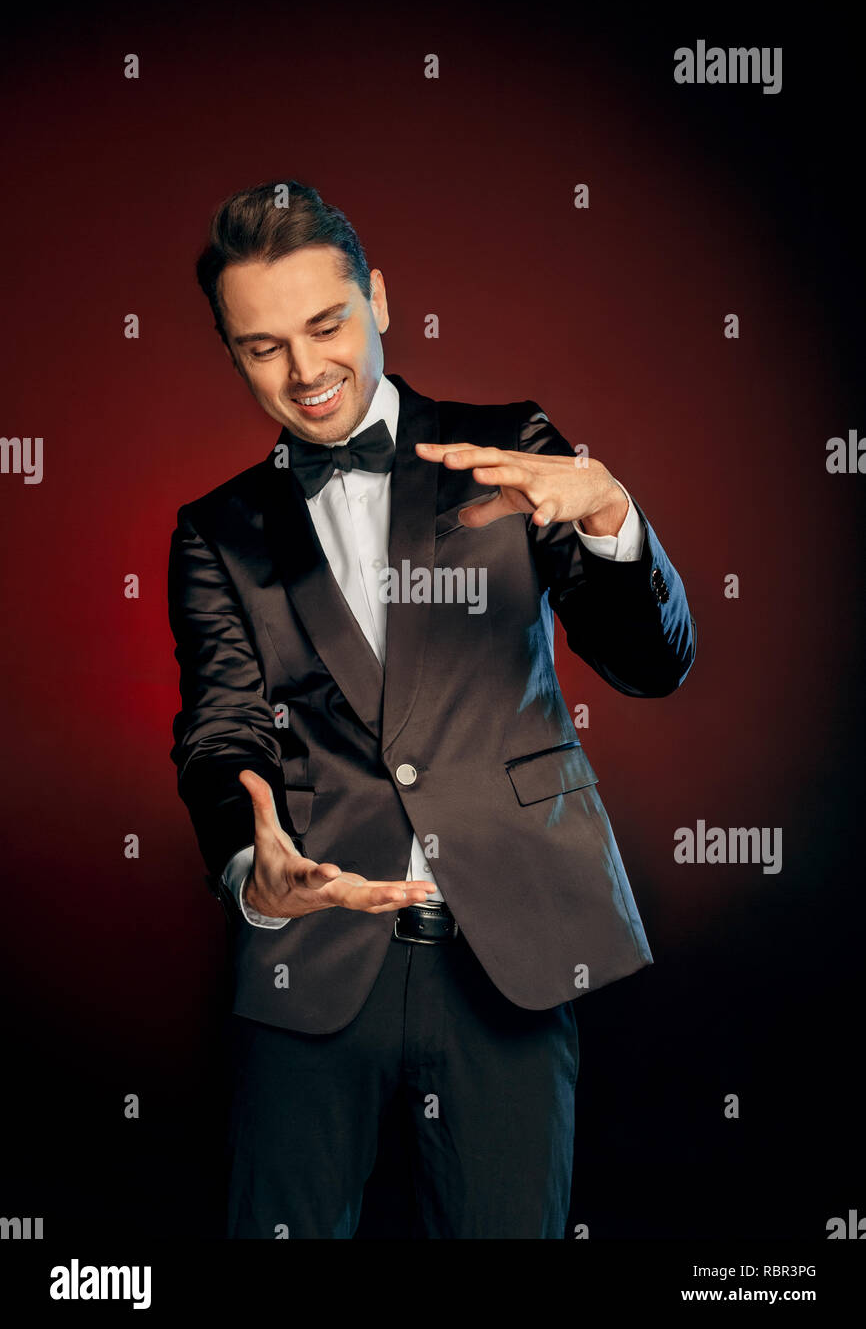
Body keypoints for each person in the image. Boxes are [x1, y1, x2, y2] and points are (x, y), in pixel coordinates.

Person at [167, 179, 697, 1239]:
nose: (306, 370)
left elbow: (650, 665)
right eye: (262, 345)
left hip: (510, 949)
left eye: (326, 323)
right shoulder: (215, 530)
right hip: (309, 962)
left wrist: (609, 515)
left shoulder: (510, 443)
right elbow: (219, 726)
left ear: (379, 297)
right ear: (230, 351)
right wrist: (247, 860)